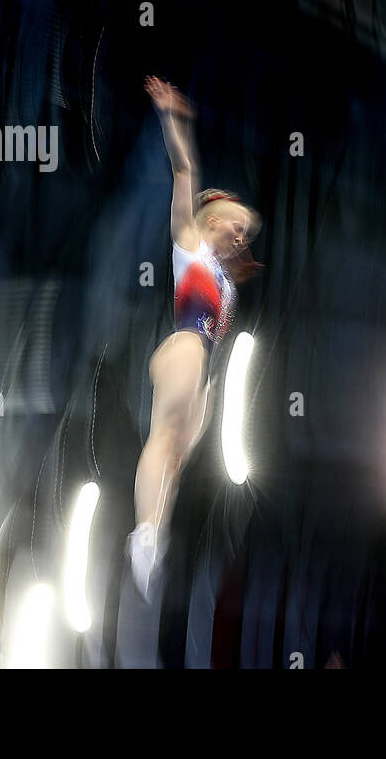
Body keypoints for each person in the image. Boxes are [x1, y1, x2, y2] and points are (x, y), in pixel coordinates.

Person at [128, 77, 263, 601]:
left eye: (245, 236)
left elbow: (232, 277)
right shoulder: (190, 245)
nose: (240, 238)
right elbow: (184, 170)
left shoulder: (225, 279)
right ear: (212, 222)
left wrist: (239, 265)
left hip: (201, 361)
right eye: (235, 228)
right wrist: (172, 119)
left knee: (177, 463)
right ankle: (142, 535)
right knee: (163, 438)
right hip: (184, 345)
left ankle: (154, 533)